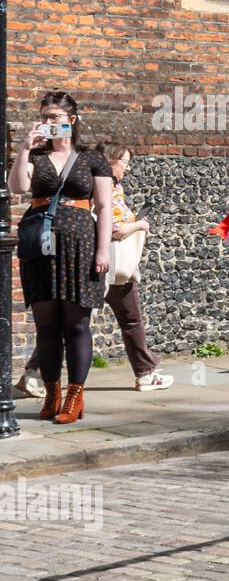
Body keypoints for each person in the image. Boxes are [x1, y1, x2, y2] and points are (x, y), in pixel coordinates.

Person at [8, 91, 114, 423]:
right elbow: (17, 188)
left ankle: (74, 398)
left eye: (55, 117)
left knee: (77, 323)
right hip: (40, 247)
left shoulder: (92, 158)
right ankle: (52, 394)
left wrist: (102, 249)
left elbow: (105, 206)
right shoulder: (36, 156)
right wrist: (24, 147)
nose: (49, 122)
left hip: (80, 244)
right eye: (45, 116)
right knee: (46, 324)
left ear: (72, 120)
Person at [100, 142, 173, 391]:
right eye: (125, 162)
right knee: (131, 320)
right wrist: (139, 225)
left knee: (74, 322)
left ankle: (35, 373)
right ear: (111, 160)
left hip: (102, 264)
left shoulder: (110, 186)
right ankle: (145, 373)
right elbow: (115, 230)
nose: (127, 169)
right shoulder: (105, 187)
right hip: (111, 264)